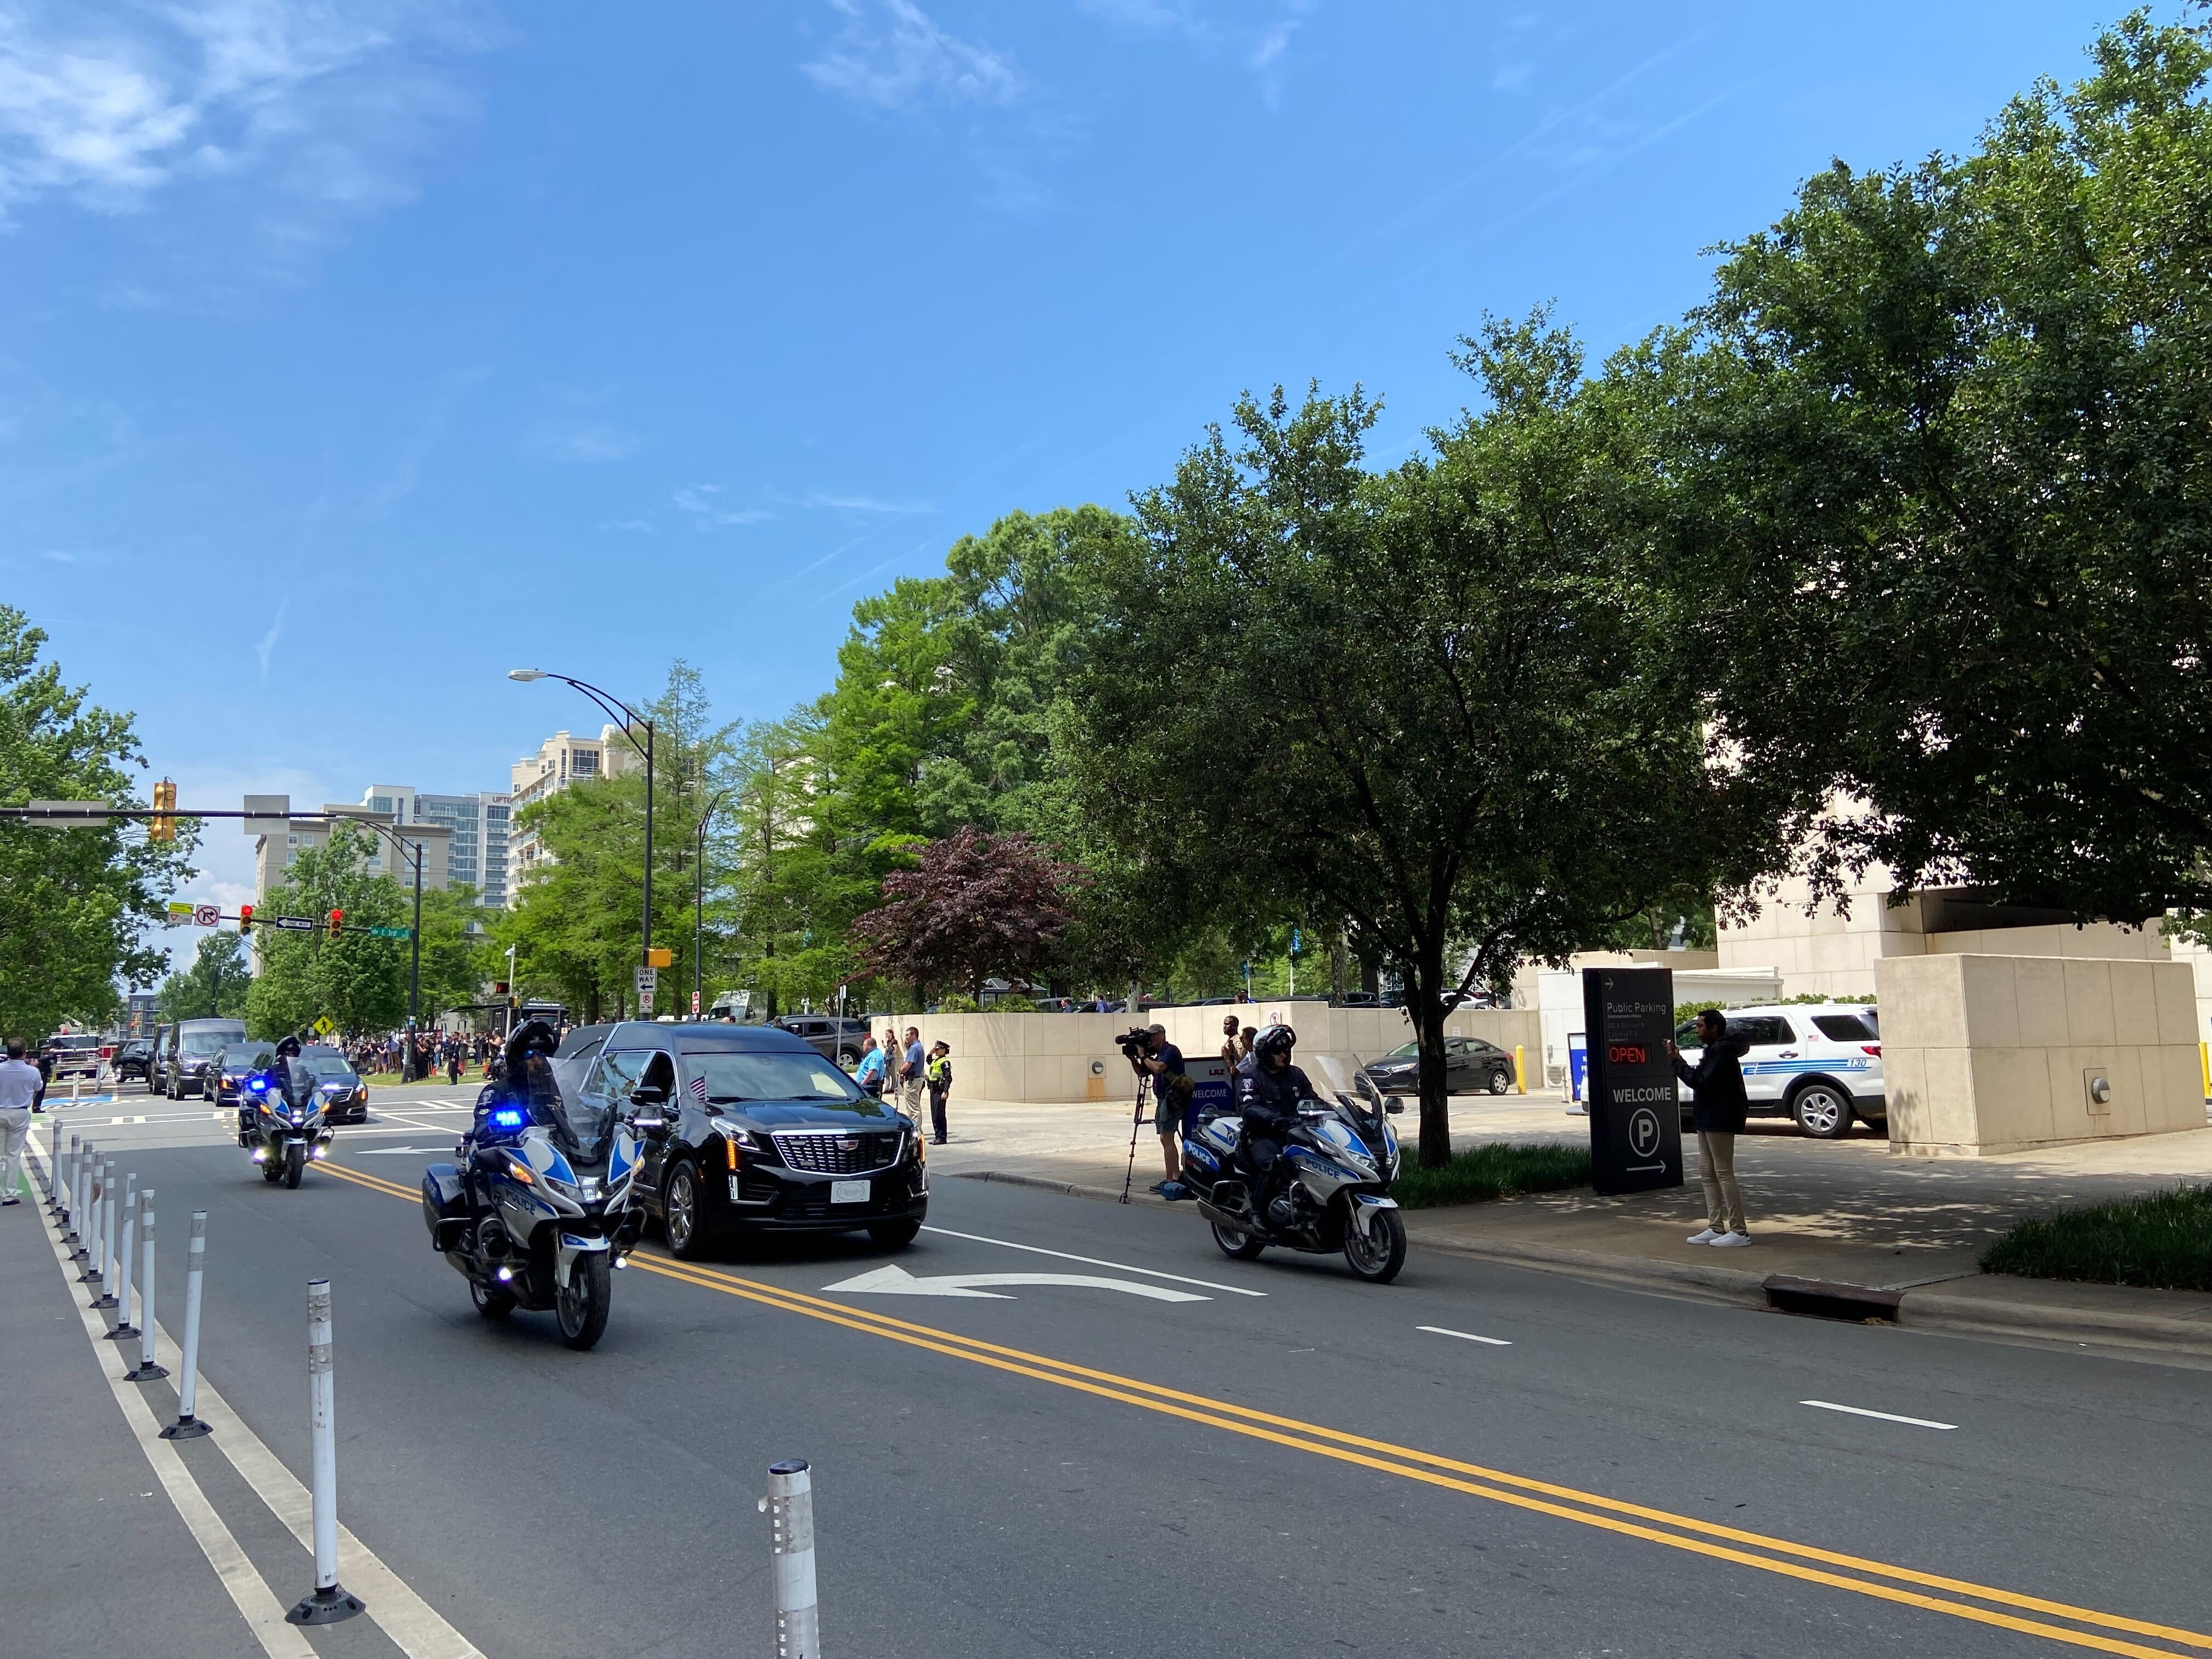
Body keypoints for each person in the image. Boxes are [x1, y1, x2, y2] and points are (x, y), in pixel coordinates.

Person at [1669, 1009, 1752, 1246]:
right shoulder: (1715, 1050)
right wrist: (1680, 1062)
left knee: (1723, 1172)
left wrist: (1677, 1062)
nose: (1697, 1030)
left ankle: (1739, 1231)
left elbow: (1700, 1081)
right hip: (1708, 1116)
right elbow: (1701, 1080)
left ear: (1714, 1028)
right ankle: (1715, 1227)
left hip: (1721, 1116)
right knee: (1707, 1172)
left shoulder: (1722, 1052)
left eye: (1701, 1026)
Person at [1234, 1024, 1312, 1226]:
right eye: (1278, 1052)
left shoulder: (1296, 1074)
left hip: (1296, 1133)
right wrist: (1273, 1118)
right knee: (1274, 1164)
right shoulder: (1250, 1077)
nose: (1284, 1055)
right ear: (1265, 1054)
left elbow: (1313, 1100)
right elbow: (1249, 1108)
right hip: (1263, 1135)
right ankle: (1257, 1213)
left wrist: (1343, 1112)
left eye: (1287, 1050)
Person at [1138, 1024, 1190, 1195]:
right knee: (1166, 1139)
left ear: (1162, 1034)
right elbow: (1143, 1073)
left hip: (1171, 1099)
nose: (1151, 1038)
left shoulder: (1170, 1051)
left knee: (1166, 1137)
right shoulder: (1157, 1054)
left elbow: (1159, 1068)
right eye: (1150, 1036)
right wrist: (1134, 1058)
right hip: (1162, 1100)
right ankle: (1174, 1175)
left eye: (1154, 1035)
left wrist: (1144, 1055)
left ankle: (1171, 1179)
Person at [0, 1039, 39, 1205]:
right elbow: (38, 1088)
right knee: (13, 1155)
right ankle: (9, 1194)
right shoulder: (32, 1071)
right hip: (20, 1112)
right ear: (25, 1052)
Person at [924, 1040, 952, 1144]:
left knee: (939, 1114)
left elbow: (948, 1078)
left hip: (939, 1091)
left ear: (944, 1050)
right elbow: (928, 1060)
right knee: (934, 1114)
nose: (936, 1051)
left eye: (938, 1049)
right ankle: (937, 1136)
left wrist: (945, 1091)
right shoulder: (936, 1061)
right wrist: (931, 1052)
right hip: (933, 1090)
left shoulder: (945, 1062)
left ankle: (942, 1137)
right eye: (935, 1049)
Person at [900, 1026, 927, 1121]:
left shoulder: (915, 1048)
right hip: (915, 1080)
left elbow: (908, 1065)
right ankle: (917, 1132)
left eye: (908, 1035)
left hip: (913, 1081)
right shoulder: (917, 1047)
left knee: (914, 1110)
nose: (906, 1037)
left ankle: (917, 1133)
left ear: (914, 1035)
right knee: (913, 1108)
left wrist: (900, 1071)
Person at [854, 1034, 886, 1098]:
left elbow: (873, 1071)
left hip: (869, 1086)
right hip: (867, 1085)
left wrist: (863, 1084)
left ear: (870, 1046)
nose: (863, 1047)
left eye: (864, 1045)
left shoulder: (875, 1055)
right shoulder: (872, 1054)